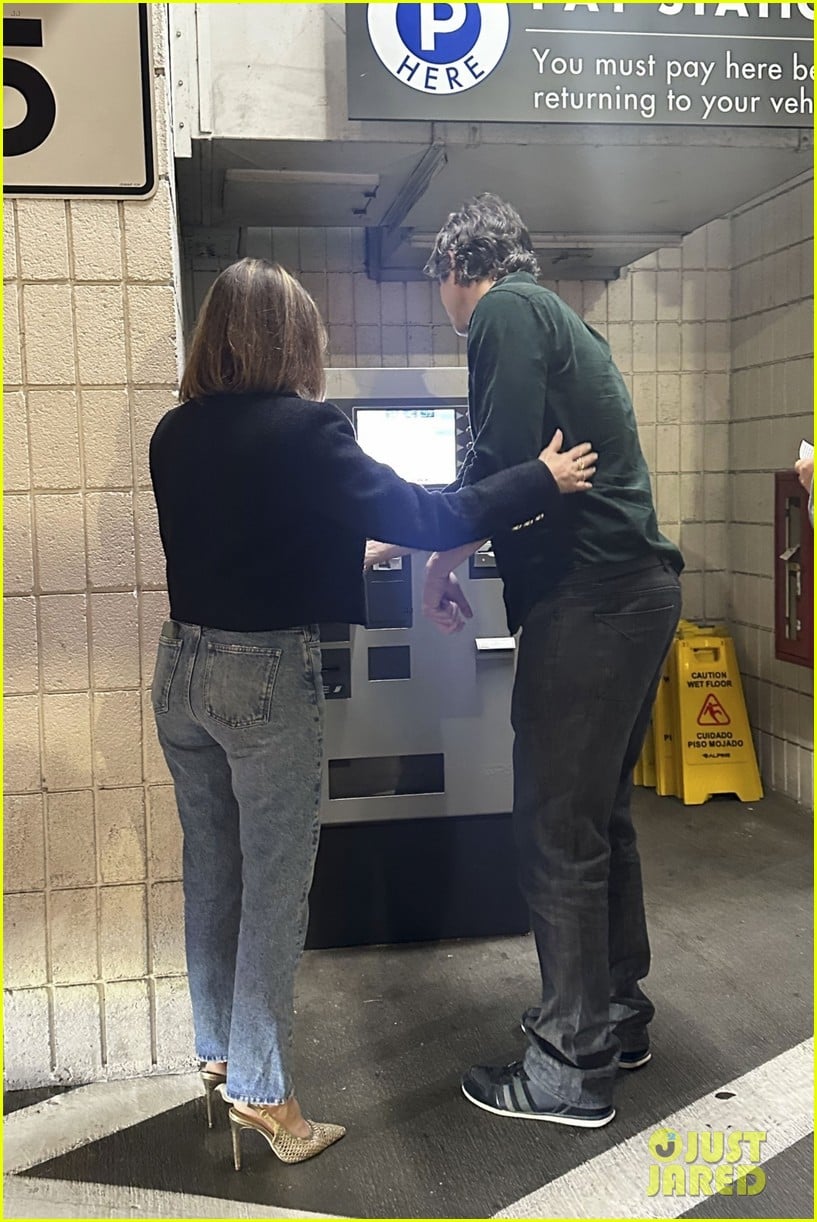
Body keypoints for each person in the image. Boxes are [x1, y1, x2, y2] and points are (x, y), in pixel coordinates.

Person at [148, 257, 597, 1168]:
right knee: (275, 893)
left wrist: (357, 547)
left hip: (181, 674)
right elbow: (434, 513)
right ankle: (267, 1099)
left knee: (213, 873)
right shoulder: (306, 430)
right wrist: (537, 480)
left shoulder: (174, 431)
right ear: (291, 338)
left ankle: (217, 1057)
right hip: (262, 680)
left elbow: (250, 543)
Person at [421, 195, 684, 1127]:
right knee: (596, 820)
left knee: (553, 826)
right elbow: (524, 469)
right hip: (631, 591)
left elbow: (496, 458)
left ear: (458, 271)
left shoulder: (503, 311)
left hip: (591, 597)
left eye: (440, 292)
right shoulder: (561, 318)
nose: (446, 311)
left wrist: (434, 555)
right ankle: (613, 1015)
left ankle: (568, 1069)